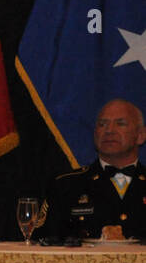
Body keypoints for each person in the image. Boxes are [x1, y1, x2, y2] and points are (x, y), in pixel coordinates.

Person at [37, 98, 146, 243]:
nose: (109, 130)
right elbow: (43, 242)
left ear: (140, 135)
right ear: (95, 134)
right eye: (102, 124)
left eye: (121, 123)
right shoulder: (66, 185)